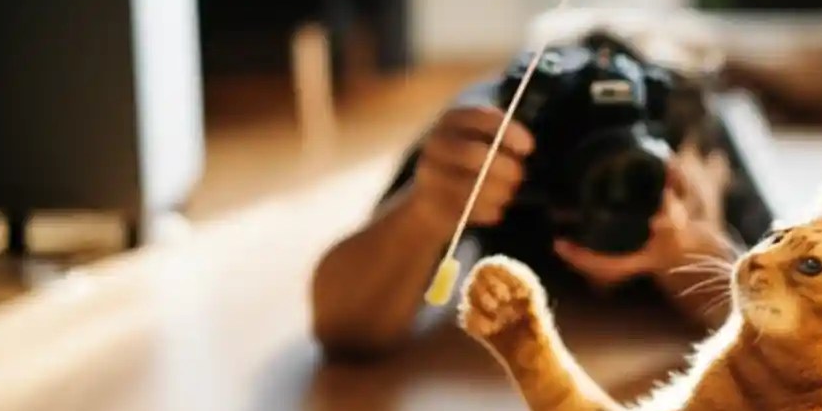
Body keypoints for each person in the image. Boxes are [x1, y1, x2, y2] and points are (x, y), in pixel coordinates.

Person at [311, 86, 771, 354]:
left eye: (638, 179)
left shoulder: (695, 122)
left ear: (719, 169)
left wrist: (697, 256)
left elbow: (808, 330)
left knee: (740, 100)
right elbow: (339, 321)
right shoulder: (499, 131)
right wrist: (427, 210)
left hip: (681, 77)